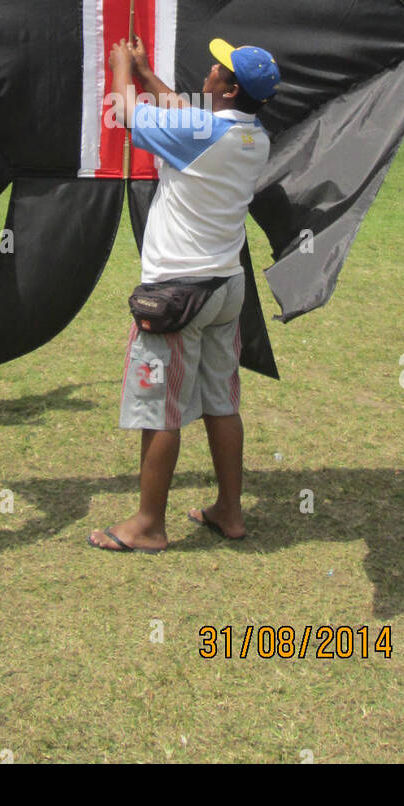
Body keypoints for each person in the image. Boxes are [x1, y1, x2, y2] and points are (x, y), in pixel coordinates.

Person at [88, 35, 280, 554]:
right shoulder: (252, 137)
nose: (211, 70)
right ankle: (230, 511)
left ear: (231, 87)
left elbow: (128, 115)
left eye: (219, 69)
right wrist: (151, 76)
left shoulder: (203, 133)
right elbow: (182, 115)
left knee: (160, 408)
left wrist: (122, 69)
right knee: (222, 402)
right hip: (225, 288)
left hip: (178, 292)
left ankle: (148, 525)